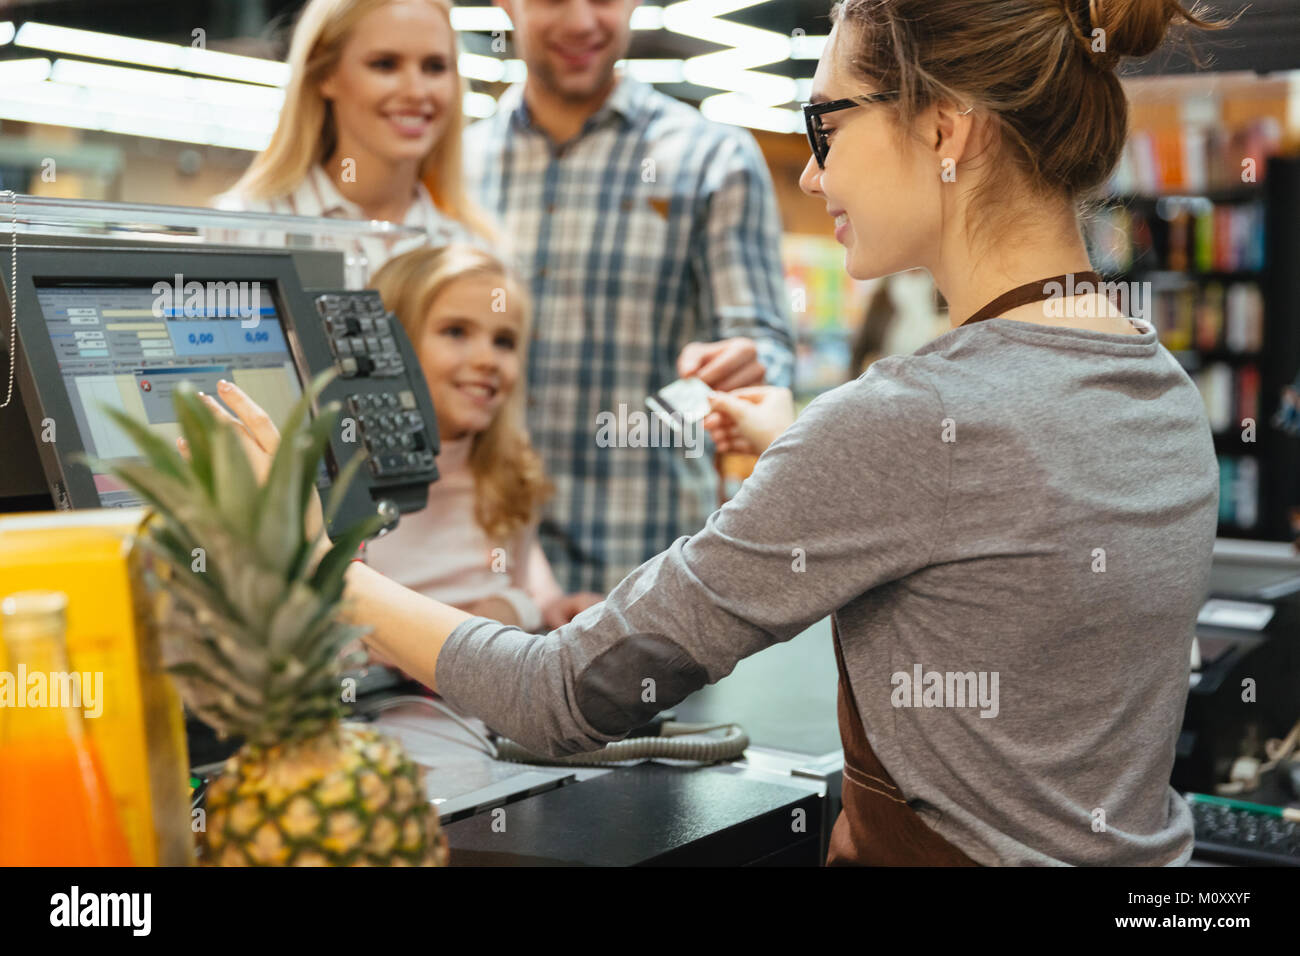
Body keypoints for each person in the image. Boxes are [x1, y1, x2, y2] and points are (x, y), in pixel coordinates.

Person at [201, 0, 1226, 865]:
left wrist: (323, 559)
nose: (815, 175)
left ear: (944, 130)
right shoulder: (1157, 383)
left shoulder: (905, 422)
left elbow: (555, 695)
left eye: (825, 124)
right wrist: (810, 441)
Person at [462, 0, 797, 595]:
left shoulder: (712, 159)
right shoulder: (458, 166)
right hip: (481, 561)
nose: (582, 21)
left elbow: (765, 347)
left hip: (647, 568)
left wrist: (746, 365)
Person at [363, 245, 602, 630]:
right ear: (388, 345)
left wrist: (554, 608)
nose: (488, 360)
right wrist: (505, 612)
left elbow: (527, 587)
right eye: (456, 332)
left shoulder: (507, 473)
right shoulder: (338, 485)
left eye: (504, 342)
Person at [214, 0, 494, 277]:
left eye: (434, 67)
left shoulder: (476, 252)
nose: (417, 91)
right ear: (326, 75)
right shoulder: (241, 232)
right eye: (385, 64)